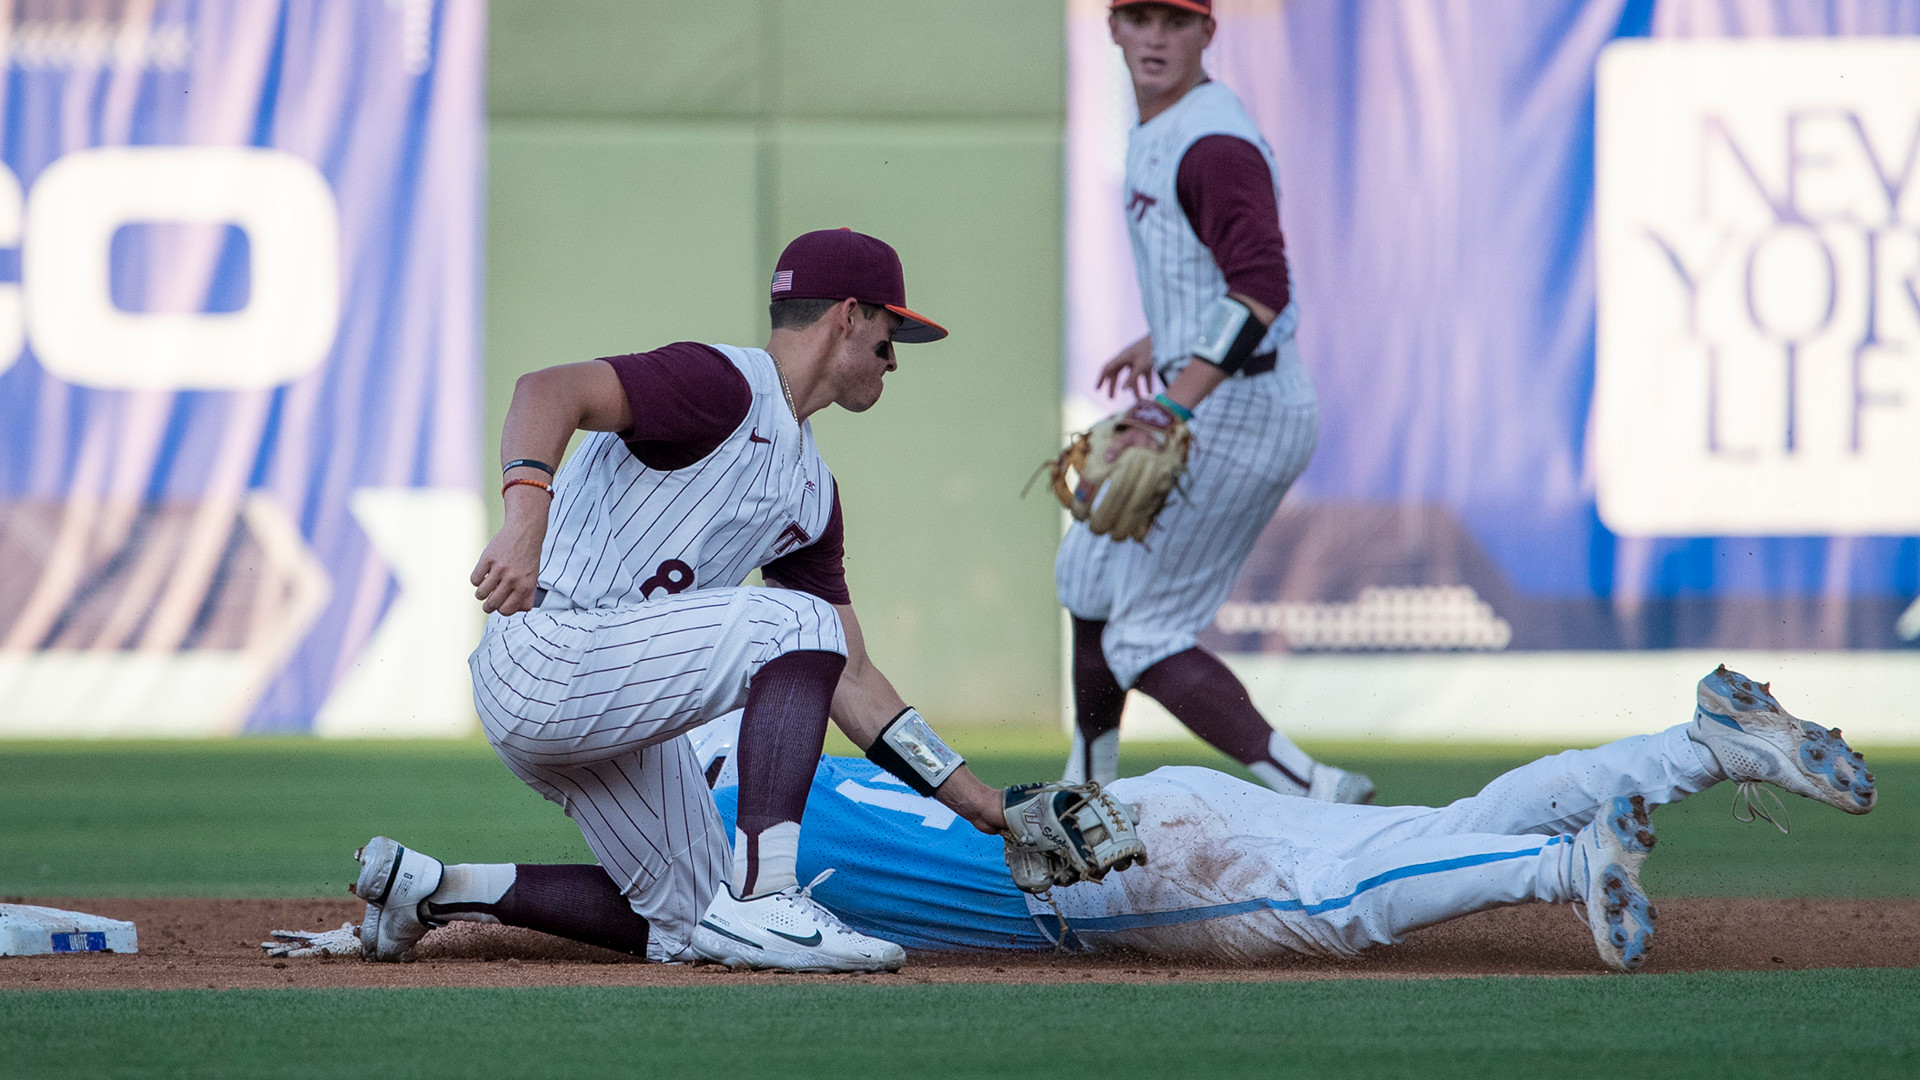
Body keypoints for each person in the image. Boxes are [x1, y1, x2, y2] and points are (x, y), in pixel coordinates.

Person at [370, 228, 1028, 974]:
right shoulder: (725, 385)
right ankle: (766, 894)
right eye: (888, 335)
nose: (894, 358)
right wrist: (526, 516)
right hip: (549, 651)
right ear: (848, 315)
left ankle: (430, 892)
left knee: (689, 924)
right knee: (799, 623)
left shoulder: (811, 494)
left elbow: (852, 675)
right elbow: (545, 390)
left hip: (613, 707)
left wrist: (982, 804)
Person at [286, 667, 1875, 972]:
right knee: (1399, 842)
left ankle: (1557, 865)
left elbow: (646, 912)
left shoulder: (729, 861)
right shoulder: (785, 789)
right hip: (1121, 811)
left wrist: (467, 884)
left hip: (1099, 887)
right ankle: (1692, 748)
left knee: (1329, 913)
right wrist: (455, 881)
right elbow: (636, 901)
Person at [1056, 0, 1373, 802]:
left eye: (1176, 19)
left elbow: (1262, 288)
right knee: (1086, 578)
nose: (1156, 36)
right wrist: (1161, 341)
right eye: (1140, 17)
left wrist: (1172, 404)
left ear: (1207, 33)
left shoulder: (1212, 143)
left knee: (1143, 632)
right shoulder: (1162, 126)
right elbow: (1207, 279)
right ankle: (1086, 791)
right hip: (1215, 392)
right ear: (1114, 29)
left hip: (1246, 410)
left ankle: (1314, 788)